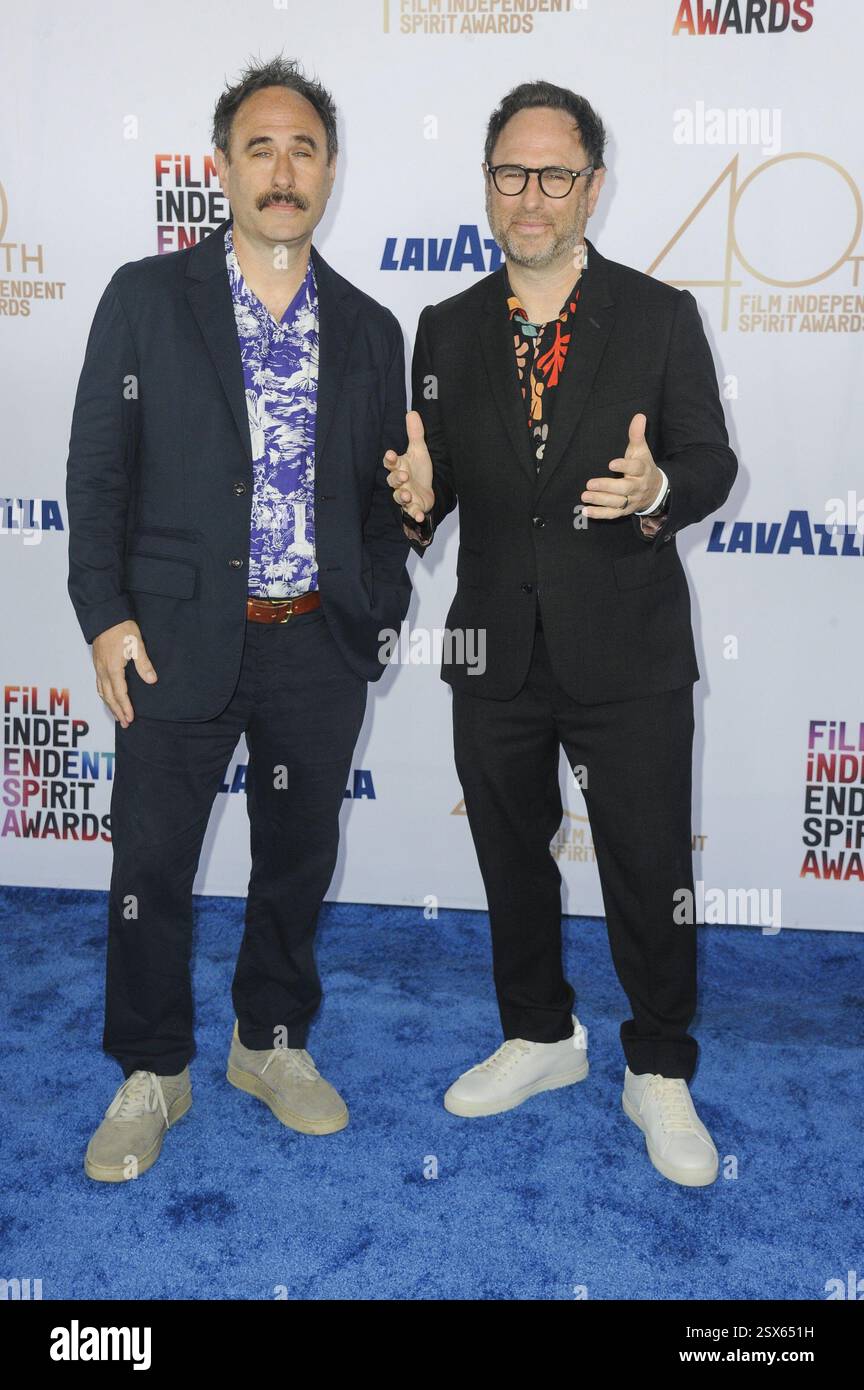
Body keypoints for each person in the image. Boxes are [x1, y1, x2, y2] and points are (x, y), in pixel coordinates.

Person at [385, 80, 738, 1188]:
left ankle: (658, 1064)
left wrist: (658, 486)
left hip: (627, 648)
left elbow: (712, 463)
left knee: (645, 865)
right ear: (486, 182)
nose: (529, 197)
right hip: (493, 646)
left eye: (554, 175)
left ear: (592, 185)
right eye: (509, 173)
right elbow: (432, 490)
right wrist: (411, 495)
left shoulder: (658, 314)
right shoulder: (442, 328)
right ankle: (540, 1035)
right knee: (509, 859)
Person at [66, 56, 411, 1181]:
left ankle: (269, 1043)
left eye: (303, 148)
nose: (281, 168)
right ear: (220, 168)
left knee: (297, 860)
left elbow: (380, 494)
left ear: (329, 172)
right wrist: (105, 617)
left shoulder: (369, 325)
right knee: (151, 862)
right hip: (172, 635)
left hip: (317, 639)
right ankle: (152, 1068)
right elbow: (98, 476)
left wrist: (382, 598)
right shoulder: (143, 297)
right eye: (259, 147)